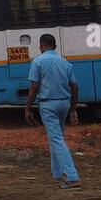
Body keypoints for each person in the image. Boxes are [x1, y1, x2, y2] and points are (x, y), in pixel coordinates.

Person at [24, 33, 82, 189]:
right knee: (56, 138)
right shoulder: (65, 63)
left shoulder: (37, 62)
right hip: (64, 104)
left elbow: (34, 87)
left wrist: (28, 108)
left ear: (41, 46)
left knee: (56, 139)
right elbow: (75, 87)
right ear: (55, 46)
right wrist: (73, 108)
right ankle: (57, 174)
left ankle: (72, 177)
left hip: (48, 105)